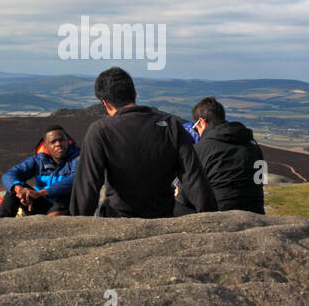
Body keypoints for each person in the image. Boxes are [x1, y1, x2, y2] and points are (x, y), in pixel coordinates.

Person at [69, 67, 216, 218]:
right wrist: (212, 218)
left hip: (118, 219)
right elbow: (194, 178)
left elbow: (87, 187)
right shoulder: (171, 126)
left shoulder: (100, 131)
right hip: (162, 217)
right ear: (134, 94)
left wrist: (77, 225)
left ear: (105, 104)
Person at [178, 96, 265, 214]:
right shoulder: (254, 146)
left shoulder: (201, 149)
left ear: (202, 122)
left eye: (196, 128)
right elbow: (261, 180)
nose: (197, 132)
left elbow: (188, 193)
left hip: (220, 213)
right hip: (256, 211)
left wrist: (179, 193)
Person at [0, 125, 81, 218]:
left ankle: (53, 221)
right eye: (53, 142)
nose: (58, 144)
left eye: (61, 140)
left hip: (65, 203)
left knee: (68, 195)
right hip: (39, 203)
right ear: (46, 146)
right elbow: (9, 175)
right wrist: (20, 190)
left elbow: (75, 180)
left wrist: (40, 193)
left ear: (68, 141)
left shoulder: (78, 157)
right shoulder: (38, 161)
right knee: (13, 190)